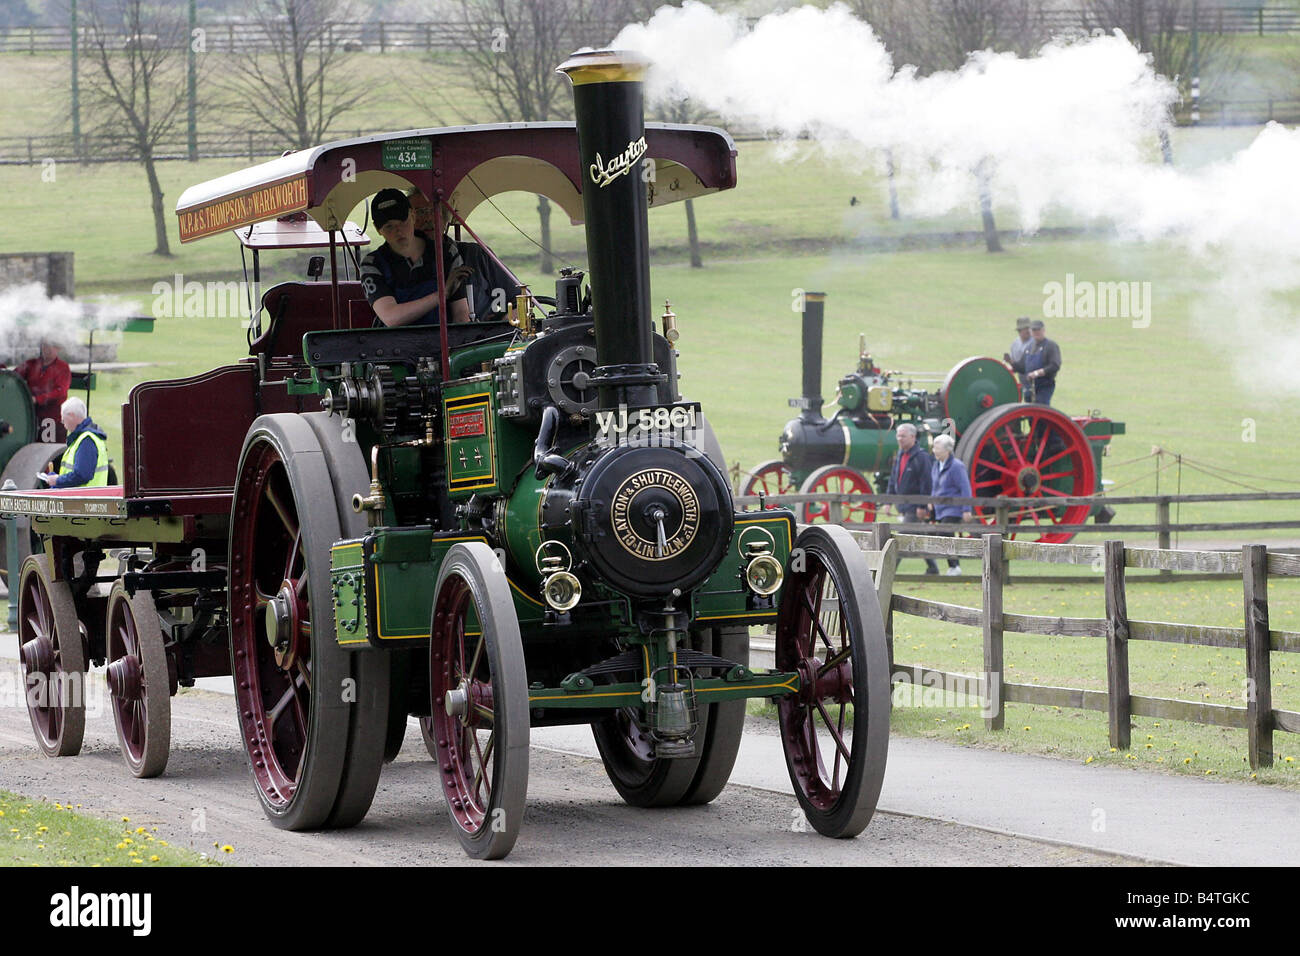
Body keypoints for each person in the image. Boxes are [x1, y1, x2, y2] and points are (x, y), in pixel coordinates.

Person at [360, 188, 471, 327]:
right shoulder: (372, 264)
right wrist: (441, 295)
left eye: (403, 222)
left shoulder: (447, 253)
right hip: (393, 346)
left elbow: (461, 314)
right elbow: (392, 318)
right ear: (378, 229)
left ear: (413, 216)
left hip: (443, 342)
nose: (398, 231)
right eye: (389, 226)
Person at [885, 423, 939, 575]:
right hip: (903, 504)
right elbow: (893, 479)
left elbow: (926, 483)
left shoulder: (922, 457)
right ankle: (933, 568)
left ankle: (890, 571)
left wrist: (922, 506)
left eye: (903, 436)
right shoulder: (900, 455)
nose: (900, 439)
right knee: (919, 536)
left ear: (913, 437)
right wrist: (888, 501)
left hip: (915, 506)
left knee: (902, 537)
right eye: (898, 436)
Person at [924, 433, 975, 575]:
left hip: (954, 509)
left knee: (945, 533)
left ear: (947, 450)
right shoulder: (935, 465)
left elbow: (965, 488)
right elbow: (935, 486)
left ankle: (955, 566)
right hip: (939, 508)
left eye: (937, 447)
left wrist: (966, 509)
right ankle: (938, 566)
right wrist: (931, 501)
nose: (934, 450)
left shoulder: (957, 466)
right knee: (930, 532)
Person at [38, 397, 108, 489]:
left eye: (63, 419)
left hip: (83, 500)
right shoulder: (86, 438)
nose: (63, 423)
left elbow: (82, 475)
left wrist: (57, 480)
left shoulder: (86, 440)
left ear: (71, 416)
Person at [16, 339, 72, 441]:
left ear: (58, 348)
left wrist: (37, 399)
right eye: (45, 345)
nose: (48, 349)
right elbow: (13, 376)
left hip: (53, 418)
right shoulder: (31, 364)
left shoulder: (63, 367)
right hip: (29, 416)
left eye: (52, 346)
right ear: (41, 347)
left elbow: (60, 392)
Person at [1009, 319, 1061, 405]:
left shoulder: (1051, 346)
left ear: (1043, 330)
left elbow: (1055, 365)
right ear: (1031, 332)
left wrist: (1037, 373)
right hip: (1030, 387)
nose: (1036, 332)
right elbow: (1022, 367)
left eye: (1038, 330)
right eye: (1034, 330)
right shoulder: (1029, 347)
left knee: (1041, 410)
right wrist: (1011, 363)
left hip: (1044, 386)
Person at [1003, 316, 1032, 392]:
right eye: (1025, 328)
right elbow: (1014, 365)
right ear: (1019, 331)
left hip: (1034, 381)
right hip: (1023, 380)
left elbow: (1025, 366)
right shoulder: (1015, 343)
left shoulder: (1034, 343)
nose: (1028, 331)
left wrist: (1010, 362)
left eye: (1029, 328)